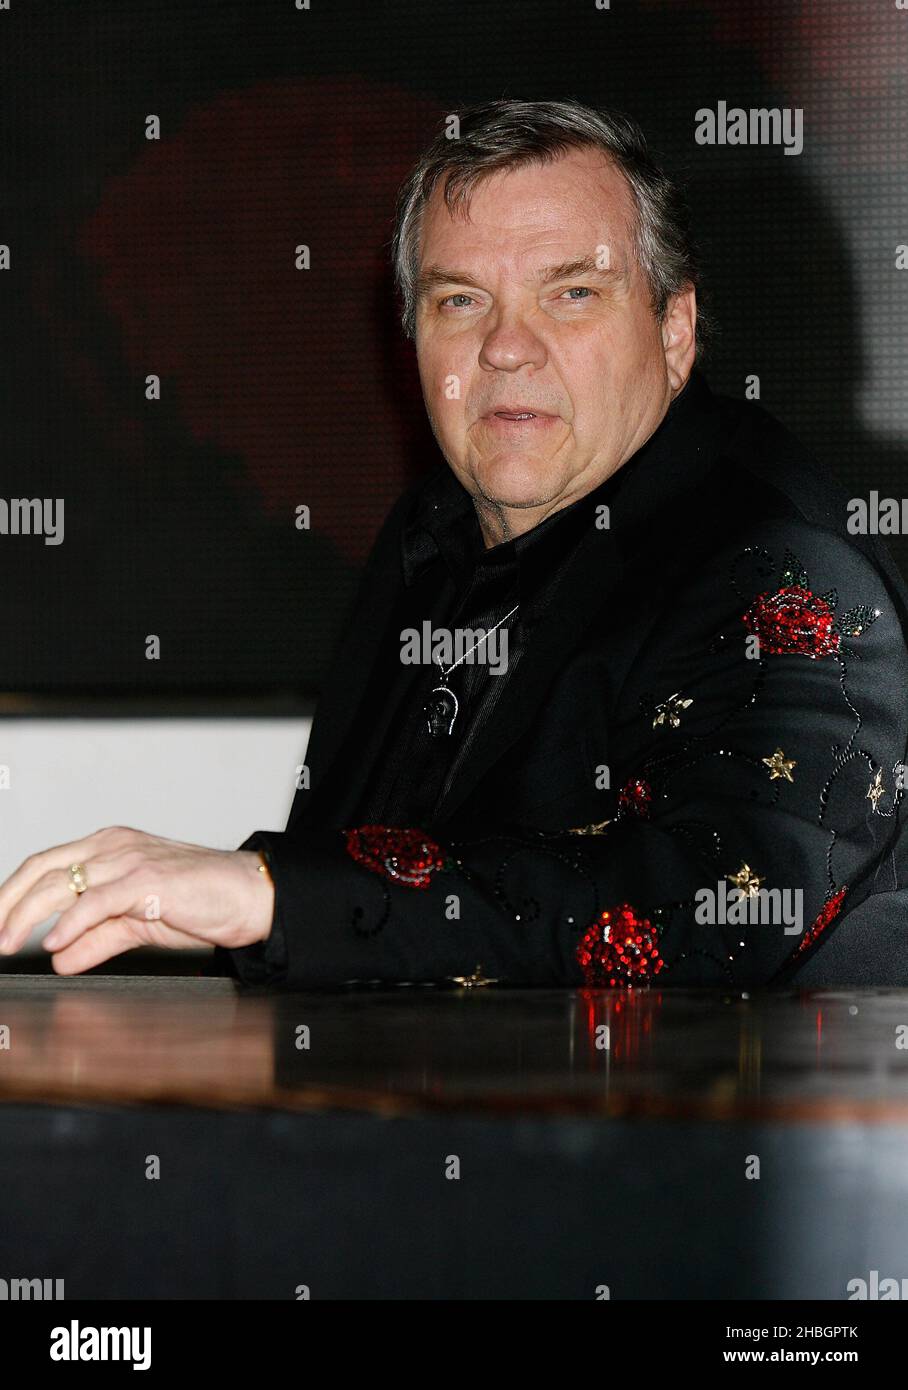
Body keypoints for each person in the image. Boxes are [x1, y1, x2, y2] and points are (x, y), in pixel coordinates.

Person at [2, 98, 908, 988]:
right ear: (413, 337)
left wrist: (279, 897)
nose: (507, 347)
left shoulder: (784, 568)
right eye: (462, 299)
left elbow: (712, 902)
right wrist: (246, 916)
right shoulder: (431, 536)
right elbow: (384, 933)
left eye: (574, 293)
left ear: (674, 332)